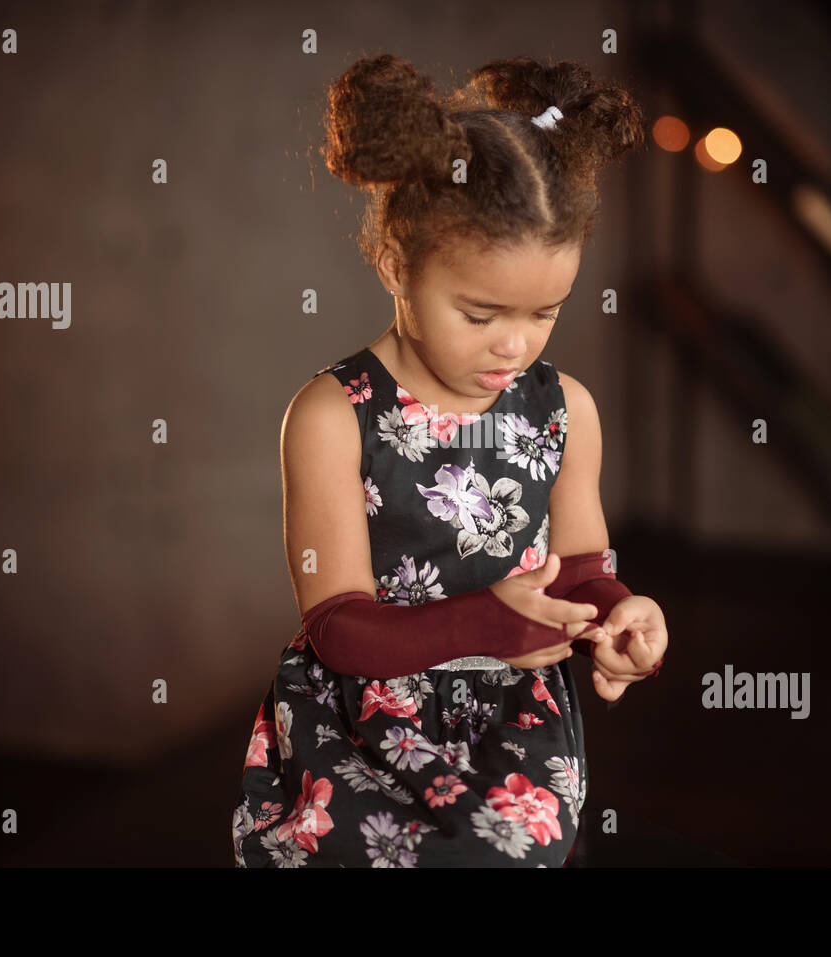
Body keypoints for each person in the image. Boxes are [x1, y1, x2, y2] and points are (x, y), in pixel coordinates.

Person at [232, 53, 667, 868]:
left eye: (546, 312)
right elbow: (337, 627)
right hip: (364, 725)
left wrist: (615, 614)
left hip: (515, 730)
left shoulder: (565, 410)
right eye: (479, 313)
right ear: (398, 263)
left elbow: (576, 568)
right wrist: (493, 623)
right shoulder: (334, 416)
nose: (515, 344)